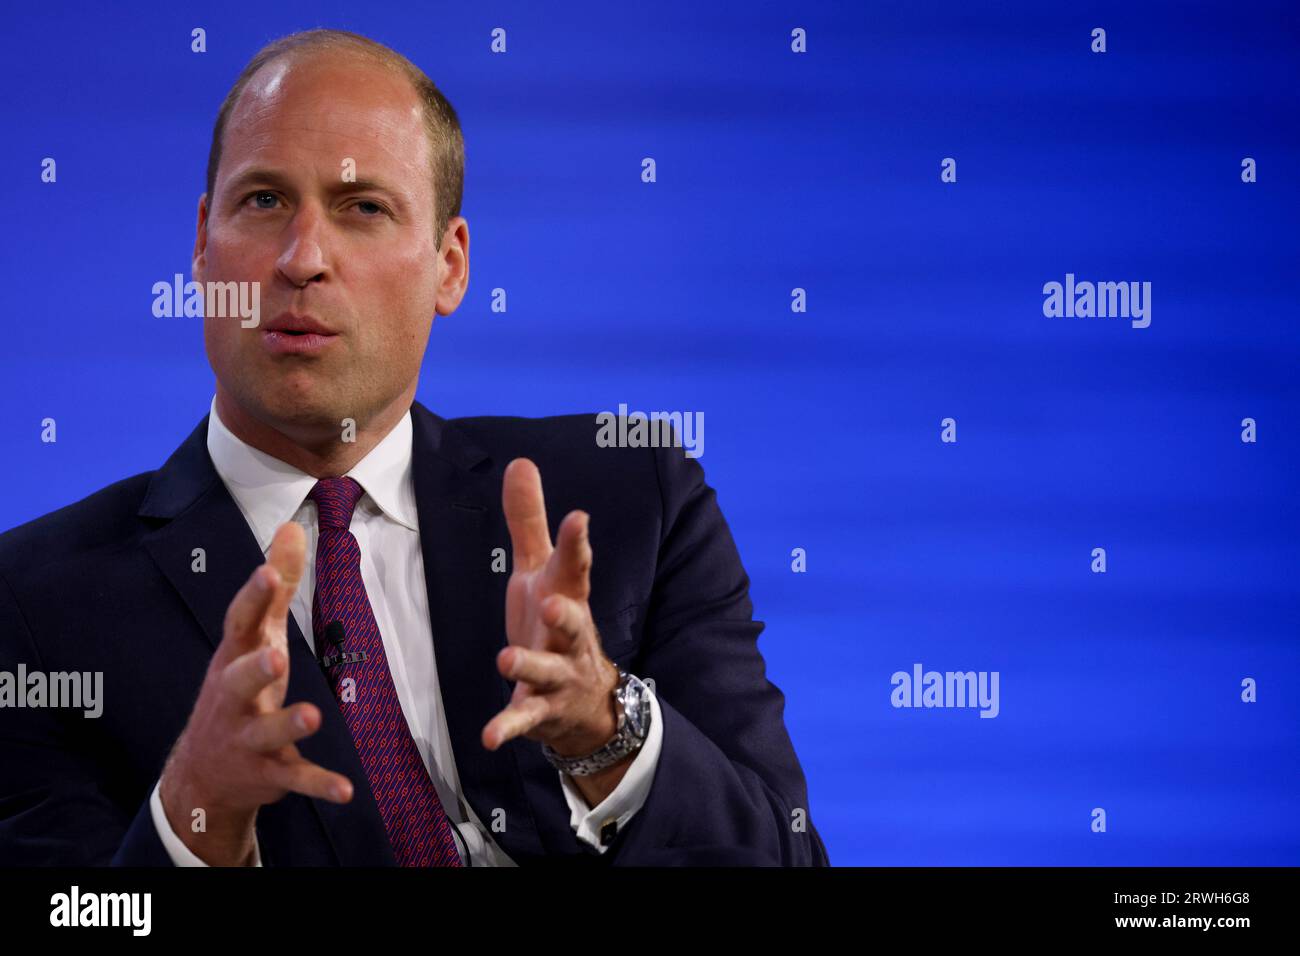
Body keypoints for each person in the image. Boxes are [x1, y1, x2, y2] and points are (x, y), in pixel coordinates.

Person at [0, 28, 828, 867]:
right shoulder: (33, 603)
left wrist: (605, 731)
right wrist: (193, 820)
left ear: (451, 267)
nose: (303, 258)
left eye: (363, 208)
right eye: (263, 201)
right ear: (200, 251)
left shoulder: (631, 497)